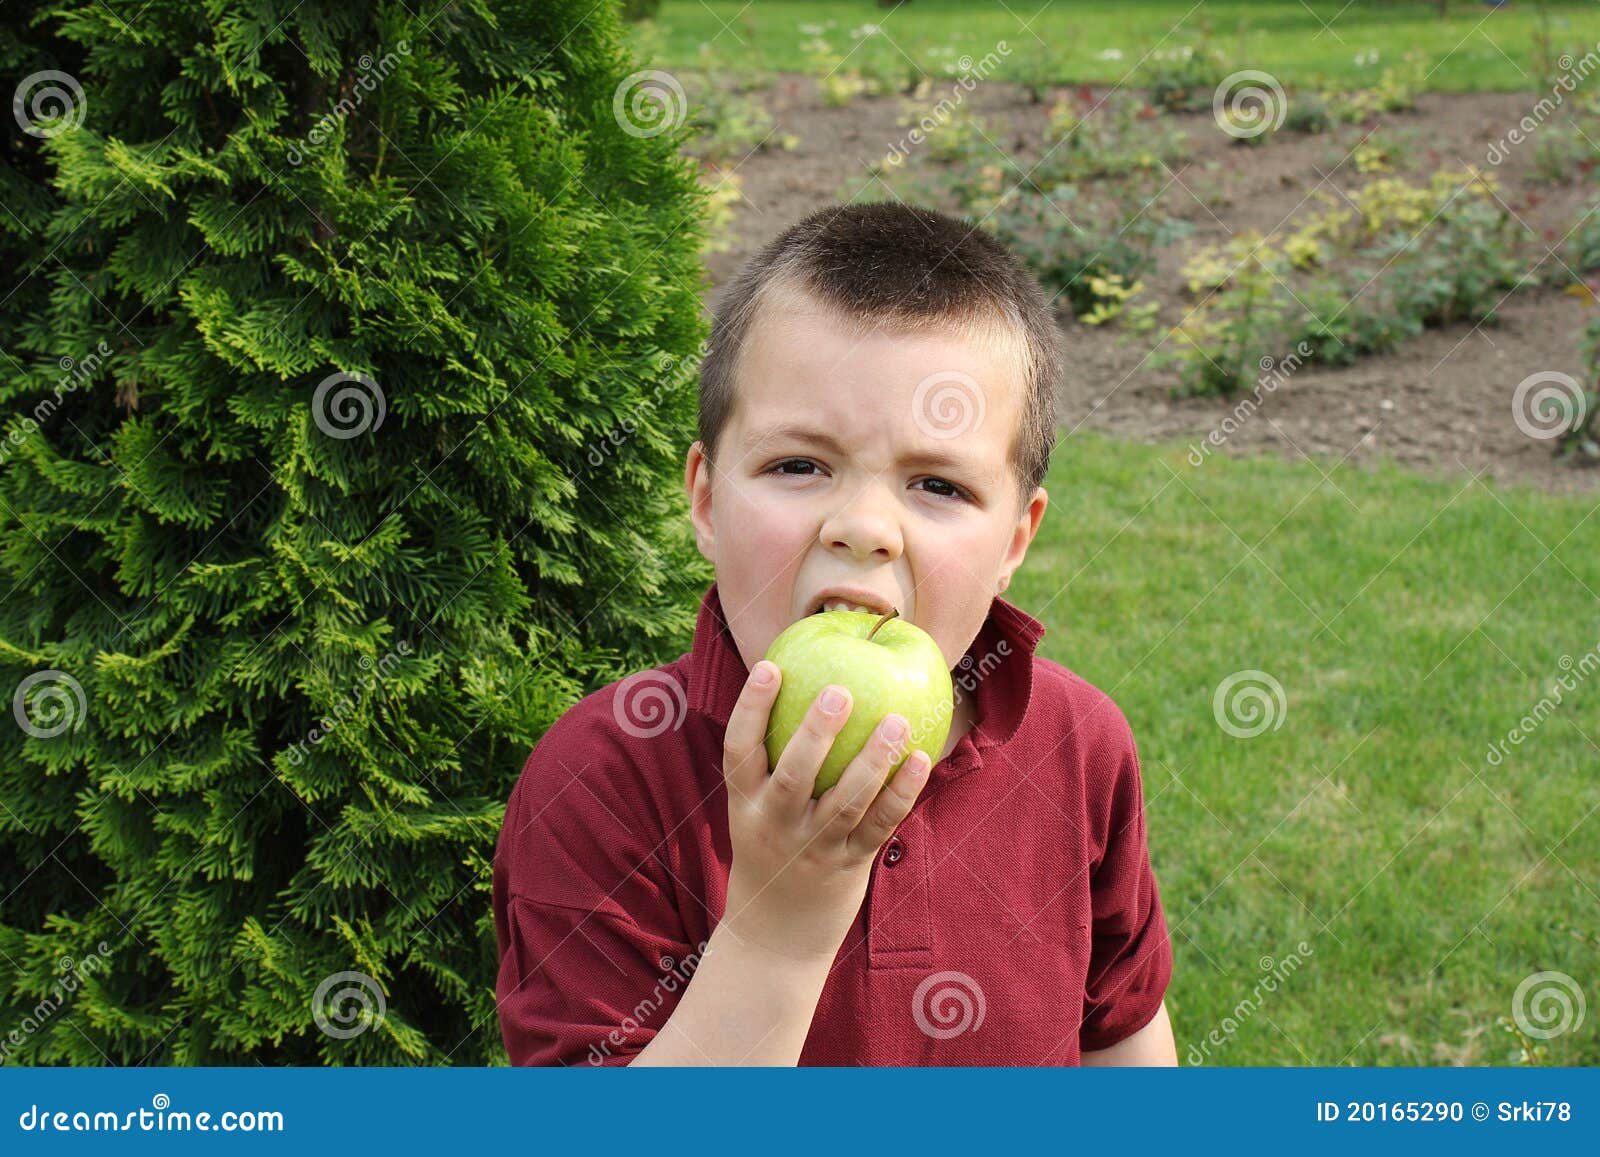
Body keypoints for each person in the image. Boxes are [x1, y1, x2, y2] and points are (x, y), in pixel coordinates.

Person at [493, 202, 1176, 1065]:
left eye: (937, 484)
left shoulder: (1079, 747)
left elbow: (1122, 1031)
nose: (864, 527)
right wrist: (778, 931)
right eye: (799, 466)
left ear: (1014, 541)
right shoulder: (602, 780)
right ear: (707, 500)